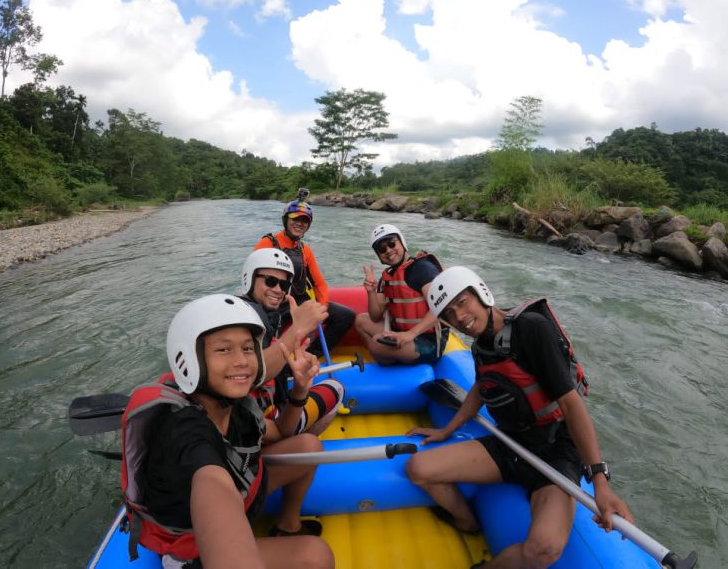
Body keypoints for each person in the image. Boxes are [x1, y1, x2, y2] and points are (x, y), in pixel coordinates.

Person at [405, 266, 634, 569]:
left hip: (556, 452)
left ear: (481, 293)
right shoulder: (481, 346)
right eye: (449, 313)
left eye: (462, 302)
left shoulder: (531, 329)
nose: (459, 316)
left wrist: (600, 481)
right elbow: (480, 388)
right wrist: (446, 430)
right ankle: (466, 521)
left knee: (544, 548)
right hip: (512, 442)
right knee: (418, 468)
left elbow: (571, 403)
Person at [122, 294, 334, 569]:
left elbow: (281, 432)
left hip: (243, 491)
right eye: (224, 350)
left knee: (307, 445)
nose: (242, 361)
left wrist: (300, 390)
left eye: (247, 348)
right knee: (316, 556)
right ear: (191, 360)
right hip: (194, 542)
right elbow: (212, 483)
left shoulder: (234, 404)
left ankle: (287, 525)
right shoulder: (185, 435)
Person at [240, 248, 345, 436]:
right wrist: (299, 327)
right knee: (336, 388)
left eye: (284, 284)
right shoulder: (244, 319)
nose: (278, 289)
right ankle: (292, 444)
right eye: (270, 281)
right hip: (261, 419)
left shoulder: (261, 314)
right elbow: (253, 373)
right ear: (250, 278)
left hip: (262, 406)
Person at [253, 196, 354, 358]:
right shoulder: (267, 244)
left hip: (301, 302)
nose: (300, 223)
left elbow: (319, 283)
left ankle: (311, 354)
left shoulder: (305, 250)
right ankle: (276, 365)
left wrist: (320, 309)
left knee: (345, 315)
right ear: (286, 220)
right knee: (267, 334)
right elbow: (254, 279)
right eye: (295, 219)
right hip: (275, 305)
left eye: (304, 220)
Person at [355, 224, 448, 365]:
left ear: (402, 242)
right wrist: (371, 292)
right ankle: (387, 358)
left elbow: (440, 307)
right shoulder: (387, 277)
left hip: (428, 340)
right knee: (361, 321)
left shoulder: (423, 268)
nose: (388, 250)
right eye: (382, 249)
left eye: (392, 244)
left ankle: (386, 357)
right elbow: (375, 317)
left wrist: (410, 334)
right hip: (401, 332)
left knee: (376, 344)